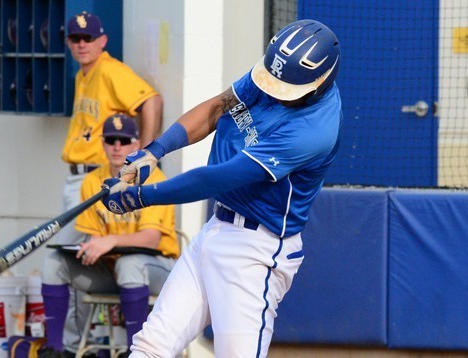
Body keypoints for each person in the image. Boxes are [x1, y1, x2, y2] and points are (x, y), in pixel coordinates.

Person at [101, 19, 342, 357]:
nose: (274, 91)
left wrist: (142, 197)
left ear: (319, 83)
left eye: (284, 88)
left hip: (255, 250)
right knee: (150, 346)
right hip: (216, 230)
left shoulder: (313, 130)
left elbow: (218, 178)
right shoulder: (276, 73)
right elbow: (217, 108)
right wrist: (155, 150)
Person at [55, 11, 163, 355]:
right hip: (85, 176)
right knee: (75, 256)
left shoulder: (110, 70)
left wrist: (146, 155)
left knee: (71, 258)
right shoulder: (83, 74)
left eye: (88, 38)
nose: (82, 44)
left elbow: (151, 100)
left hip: (100, 176)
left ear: (102, 40)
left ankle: (73, 346)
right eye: (75, 38)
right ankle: (80, 344)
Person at [39, 114, 179, 357]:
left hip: (158, 268)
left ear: (136, 145)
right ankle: (55, 350)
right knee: (54, 263)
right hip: (112, 270)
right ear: (102, 143)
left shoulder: (154, 178)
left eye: (123, 141)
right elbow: (94, 236)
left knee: (130, 264)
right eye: (111, 140)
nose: (117, 147)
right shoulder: (92, 181)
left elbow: (151, 239)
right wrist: (92, 248)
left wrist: (111, 240)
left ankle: (135, 352)